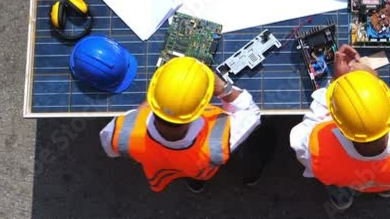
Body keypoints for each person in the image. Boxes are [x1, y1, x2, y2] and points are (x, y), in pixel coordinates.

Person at [289, 45, 390, 211]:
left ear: (339, 124)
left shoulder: (312, 148)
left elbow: (313, 118)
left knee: (340, 184)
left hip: (348, 180)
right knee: (388, 180)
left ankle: (342, 200)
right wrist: (372, 82)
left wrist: (338, 84)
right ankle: (386, 190)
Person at [99, 56, 273, 193]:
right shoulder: (220, 138)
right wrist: (221, 87)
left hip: (166, 167)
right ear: (201, 106)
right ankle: (240, 178)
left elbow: (109, 146)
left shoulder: (123, 130)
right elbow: (251, 112)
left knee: (185, 172)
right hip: (201, 166)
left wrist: (163, 98)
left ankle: (195, 184)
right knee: (268, 134)